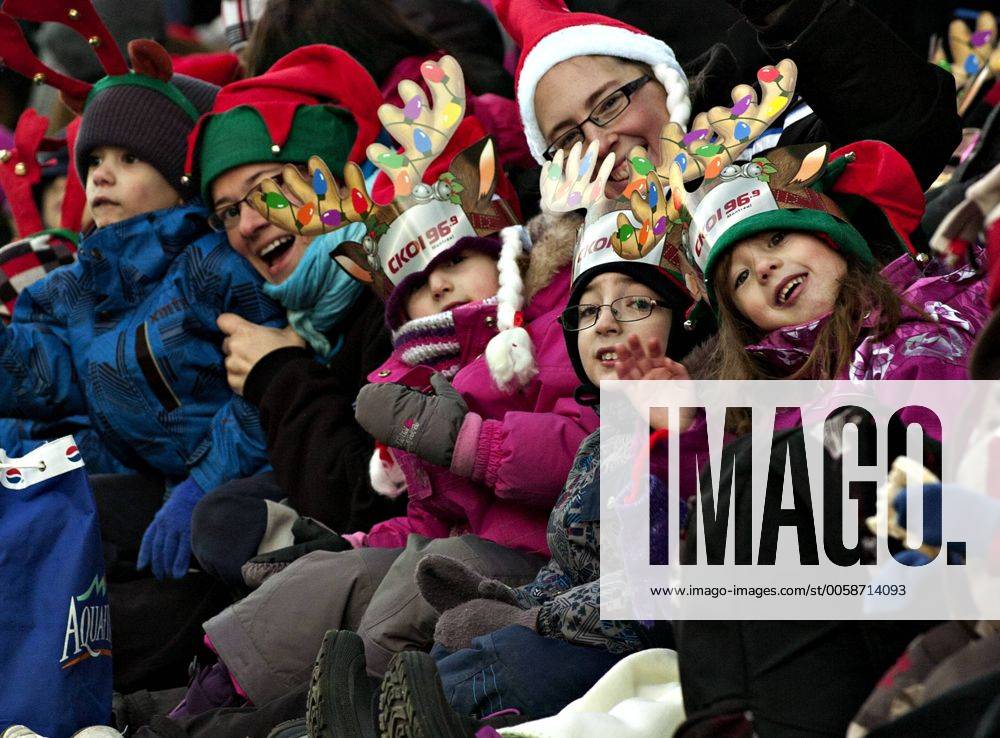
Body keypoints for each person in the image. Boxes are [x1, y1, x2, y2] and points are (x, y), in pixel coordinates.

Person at [0, 30, 285, 583]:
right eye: (94, 160)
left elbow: (268, 387)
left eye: (129, 159)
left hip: (236, 486)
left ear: (180, 182)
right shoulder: (72, 288)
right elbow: (37, 375)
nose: (101, 174)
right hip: (150, 489)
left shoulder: (216, 264)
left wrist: (203, 483)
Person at [181, 44, 405, 592]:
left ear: (335, 182)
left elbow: (366, 504)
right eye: (228, 212)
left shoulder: (403, 292)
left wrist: (278, 373)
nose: (249, 225)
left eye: (268, 189)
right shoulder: (308, 319)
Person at [496, 0, 961, 202]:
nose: (598, 144)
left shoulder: (772, 148)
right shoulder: (585, 290)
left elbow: (909, 137)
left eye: (609, 103)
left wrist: (791, 12)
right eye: (568, 140)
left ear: (664, 84)